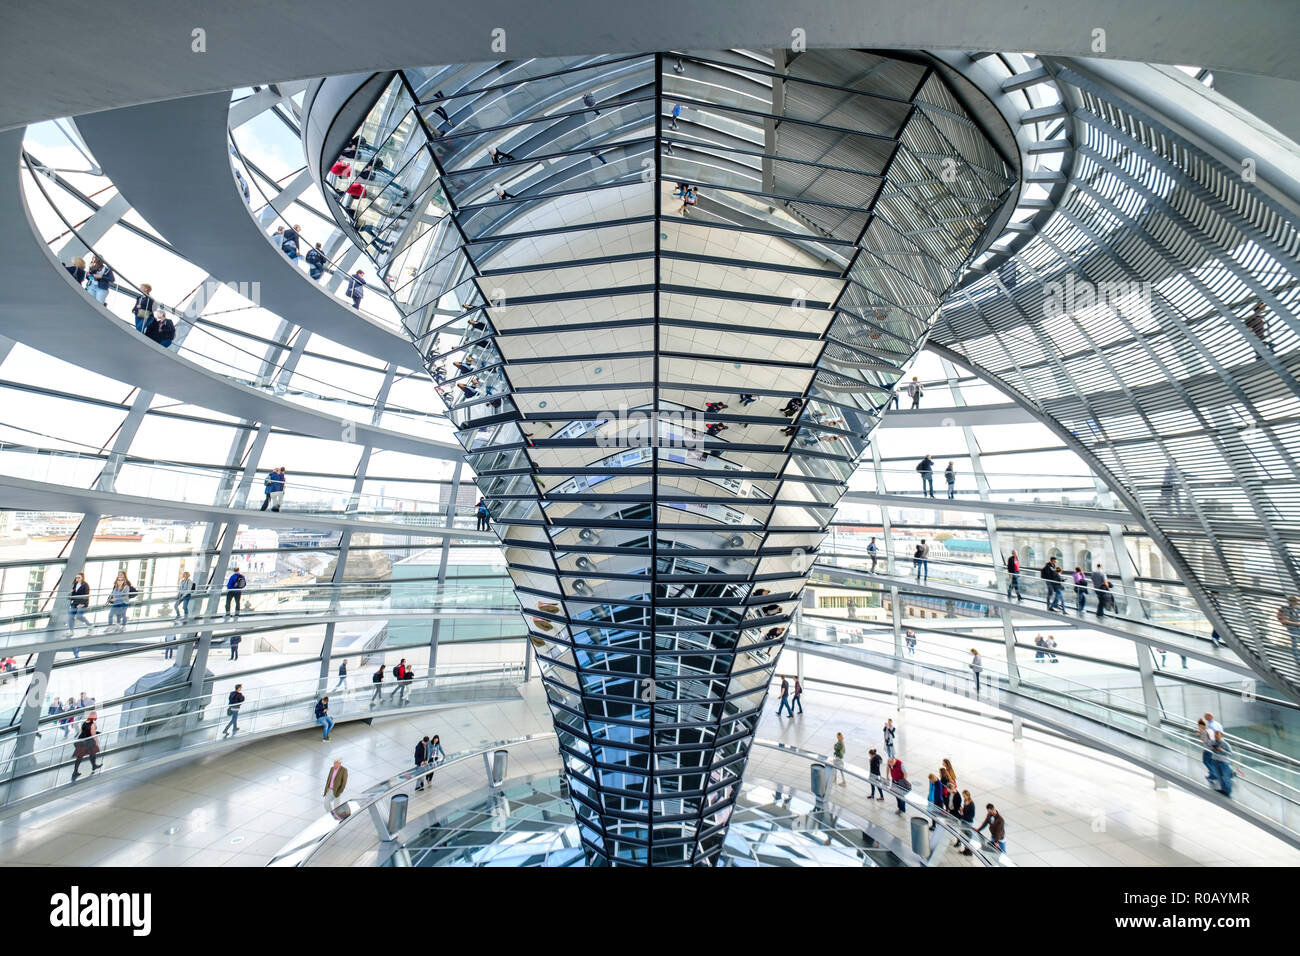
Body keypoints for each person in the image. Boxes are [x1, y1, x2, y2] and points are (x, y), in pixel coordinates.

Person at [70, 714, 102, 780]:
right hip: (87, 741)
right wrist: (96, 740)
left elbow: (86, 731)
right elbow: (92, 733)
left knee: (86, 755)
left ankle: (93, 766)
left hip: (82, 740)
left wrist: (96, 732)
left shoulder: (85, 723)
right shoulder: (92, 724)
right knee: (90, 753)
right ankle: (93, 766)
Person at [1209, 731, 1234, 798]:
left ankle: (1228, 792)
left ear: (1221, 736)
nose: (1216, 736)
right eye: (1215, 735)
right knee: (1219, 777)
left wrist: (1221, 750)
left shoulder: (1225, 744)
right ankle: (1223, 789)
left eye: (1217, 735)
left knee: (1226, 777)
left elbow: (1230, 754)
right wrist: (1212, 748)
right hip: (1215, 761)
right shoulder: (1213, 742)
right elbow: (1210, 748)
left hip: (1223, 762)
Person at [1278, 596, 1300, 663]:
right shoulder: (1287, 609)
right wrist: (1297, 623)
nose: (1298, 603)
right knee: (1295, 642)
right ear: (1292, 602)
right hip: (1293, 628)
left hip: (1297, 628)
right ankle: (1297, 659)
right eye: (1297, 602)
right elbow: (1285, 621)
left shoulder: (1296, 608)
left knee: (1295, 642)